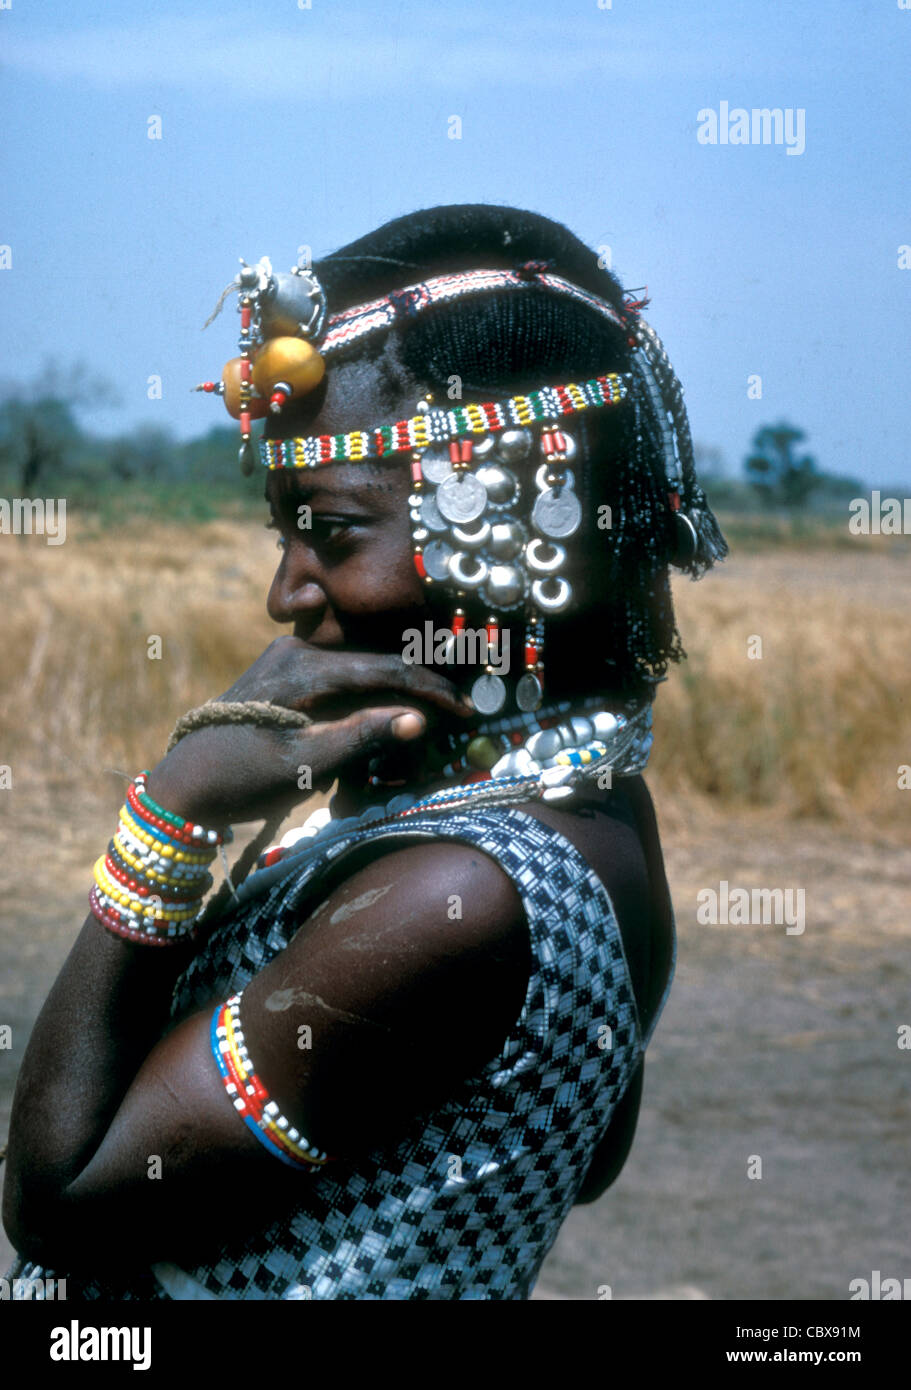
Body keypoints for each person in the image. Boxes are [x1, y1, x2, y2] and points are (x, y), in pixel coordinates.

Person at [2, 204, 726, 1300]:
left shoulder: (456, 894)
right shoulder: (583, 810)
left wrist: (169, 809)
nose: (284, 592)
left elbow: (57, 1200)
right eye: (279, 531)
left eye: (330, 530)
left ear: (517, 524)